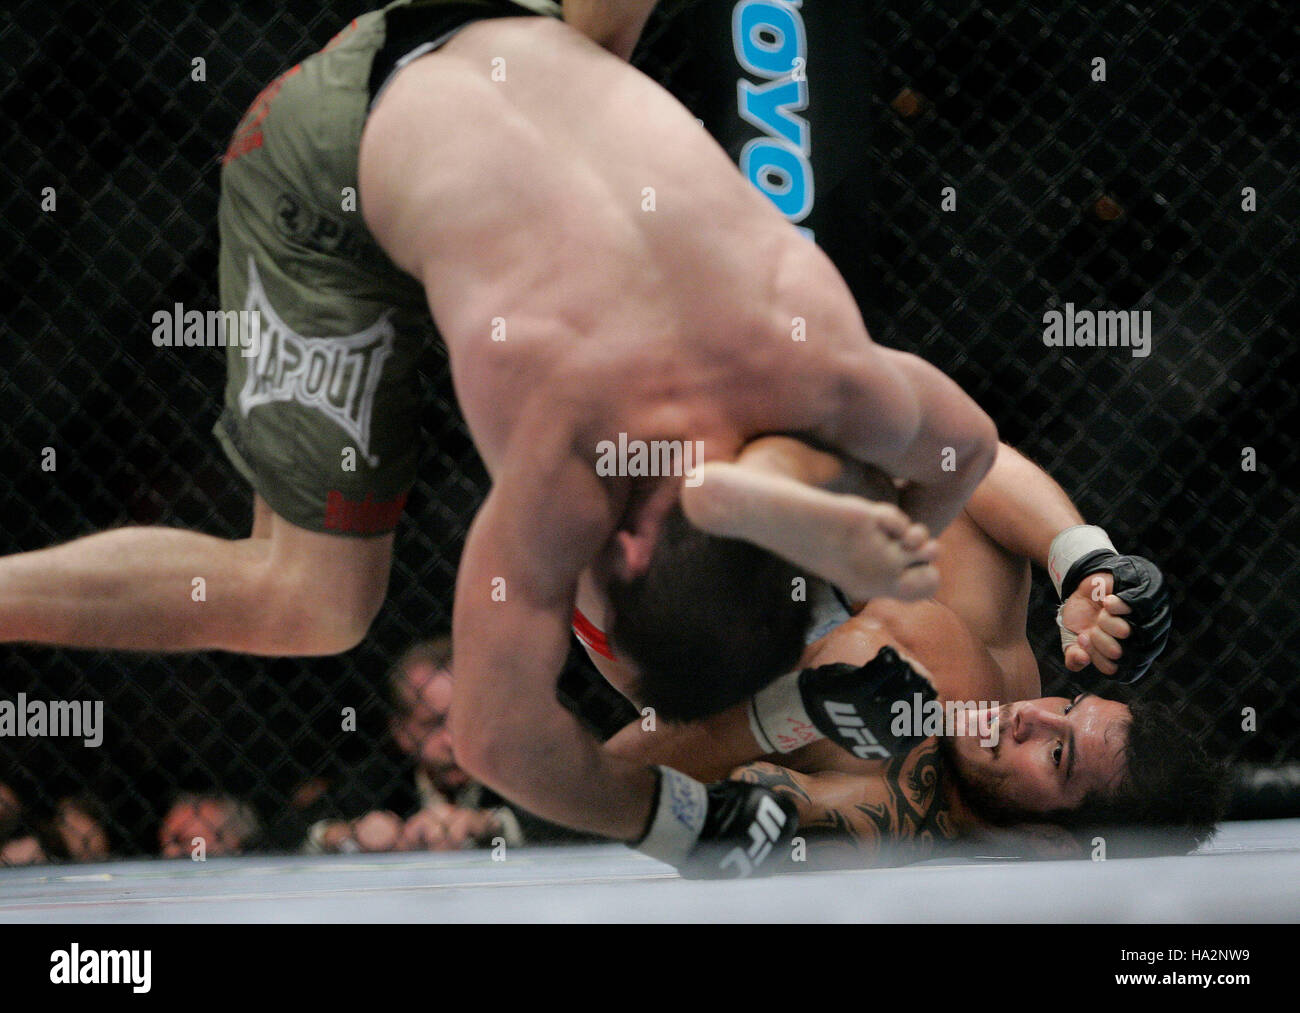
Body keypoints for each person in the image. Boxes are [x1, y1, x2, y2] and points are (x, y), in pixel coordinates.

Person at [0, 1, 998, 874]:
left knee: (822, 432)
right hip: (333, 148)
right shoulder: (564, 468)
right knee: (307, 598)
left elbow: (966, 448)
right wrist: (688, 824)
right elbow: (496, 739)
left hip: (523, 27)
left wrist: (869, 565)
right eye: (596, 619)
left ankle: (778, 495)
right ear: (628, 544)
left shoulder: (820, 357)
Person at [598, 437, 1225, 867]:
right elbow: (963, 464)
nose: (1033, 715)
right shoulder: (994, 672)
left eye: (1057, 754)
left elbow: (612, 780)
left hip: (631, 573)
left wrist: (800, 708)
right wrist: (1085, 561)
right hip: (715, 462)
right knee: (931, 429)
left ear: (1050, 841)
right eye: (1070, 703)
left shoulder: (886, 811)